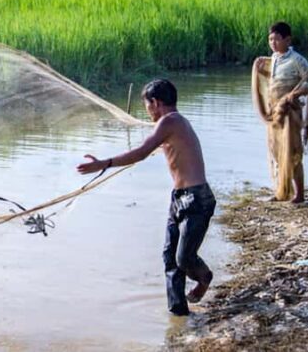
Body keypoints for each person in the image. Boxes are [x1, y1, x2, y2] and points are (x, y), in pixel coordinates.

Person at [77, 79, 215, 316]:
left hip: (197, 199)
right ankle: (178, 312)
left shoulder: (170, 121)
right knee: (169, 257)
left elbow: (141, 152)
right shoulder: (173, 123)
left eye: (147, 106)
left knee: (184, 259)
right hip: (179, 197)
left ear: (156, 102)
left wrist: (104, 163)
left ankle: (204, 278)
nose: (147, 111)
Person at [252, 22, 308, 204]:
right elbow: (279, 80)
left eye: (276, 39)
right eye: (270, 39)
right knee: (276, 152)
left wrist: (295, 94)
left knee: (292, 153)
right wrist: (262, 71)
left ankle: (299, 195)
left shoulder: (297, 60)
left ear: (287, 40)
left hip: (290, 114)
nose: (273, 43)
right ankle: (281, 191)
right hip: (276, 114)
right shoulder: (274, 58)